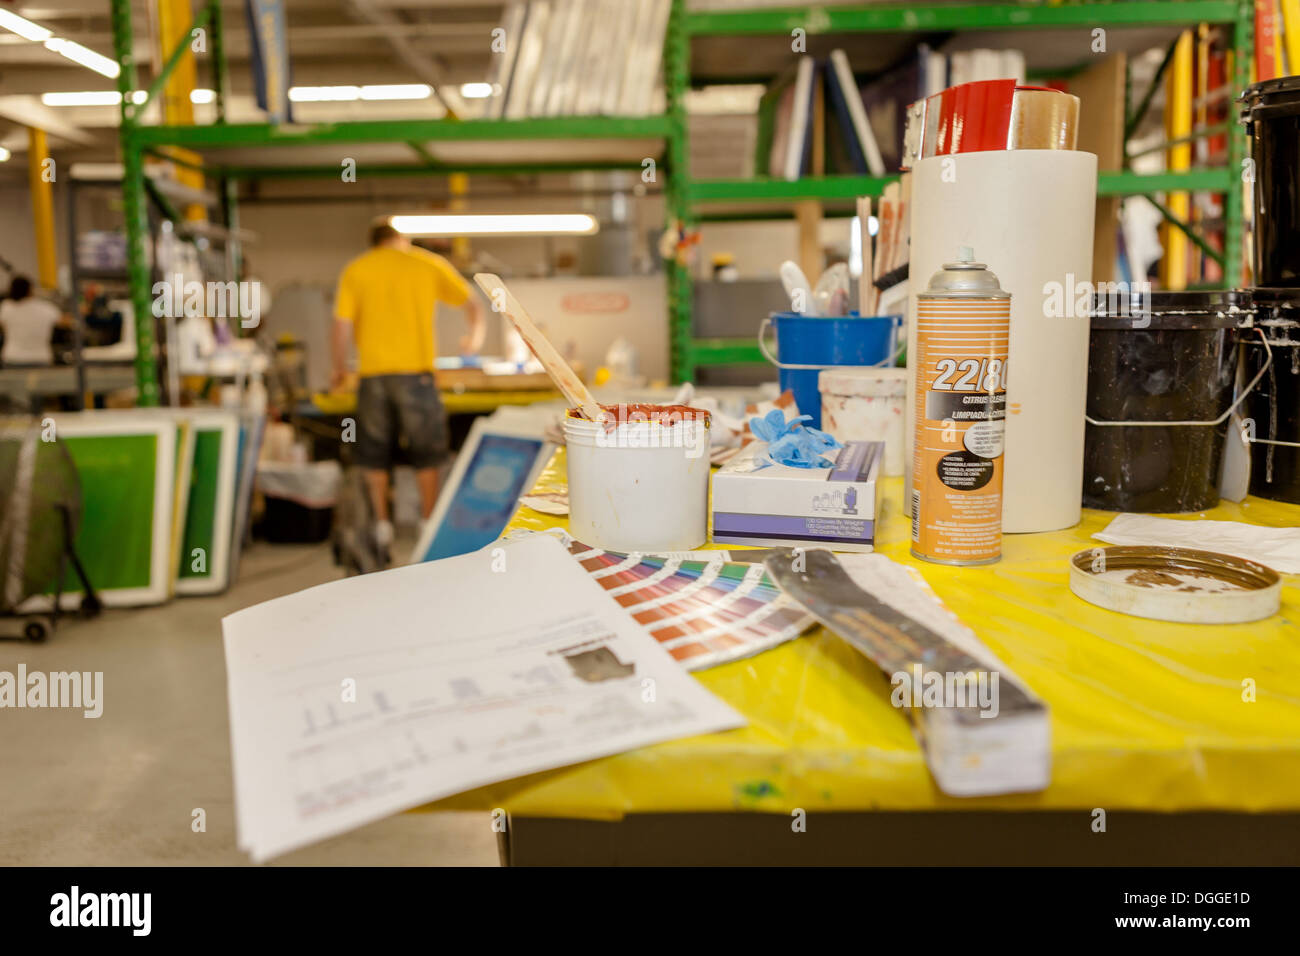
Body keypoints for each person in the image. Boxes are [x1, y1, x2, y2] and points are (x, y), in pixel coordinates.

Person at [331, 222, 485, 560]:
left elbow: (341, 326)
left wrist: (339, 370)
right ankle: (427, 525)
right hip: (416, 376)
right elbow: (473, 303)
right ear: (401, 239)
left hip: (372, 378)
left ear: (374, 243)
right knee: (427, 452)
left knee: (374, 455)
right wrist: (473, 339)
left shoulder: (357, 269)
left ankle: (383, 528)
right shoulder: (425, 262)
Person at [0, 276, 64, 366]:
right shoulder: (47, 307)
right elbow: (64, 322)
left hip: (13, 357)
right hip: (40, 358)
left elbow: (3, 327)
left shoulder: (6, 307)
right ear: (30, 290)